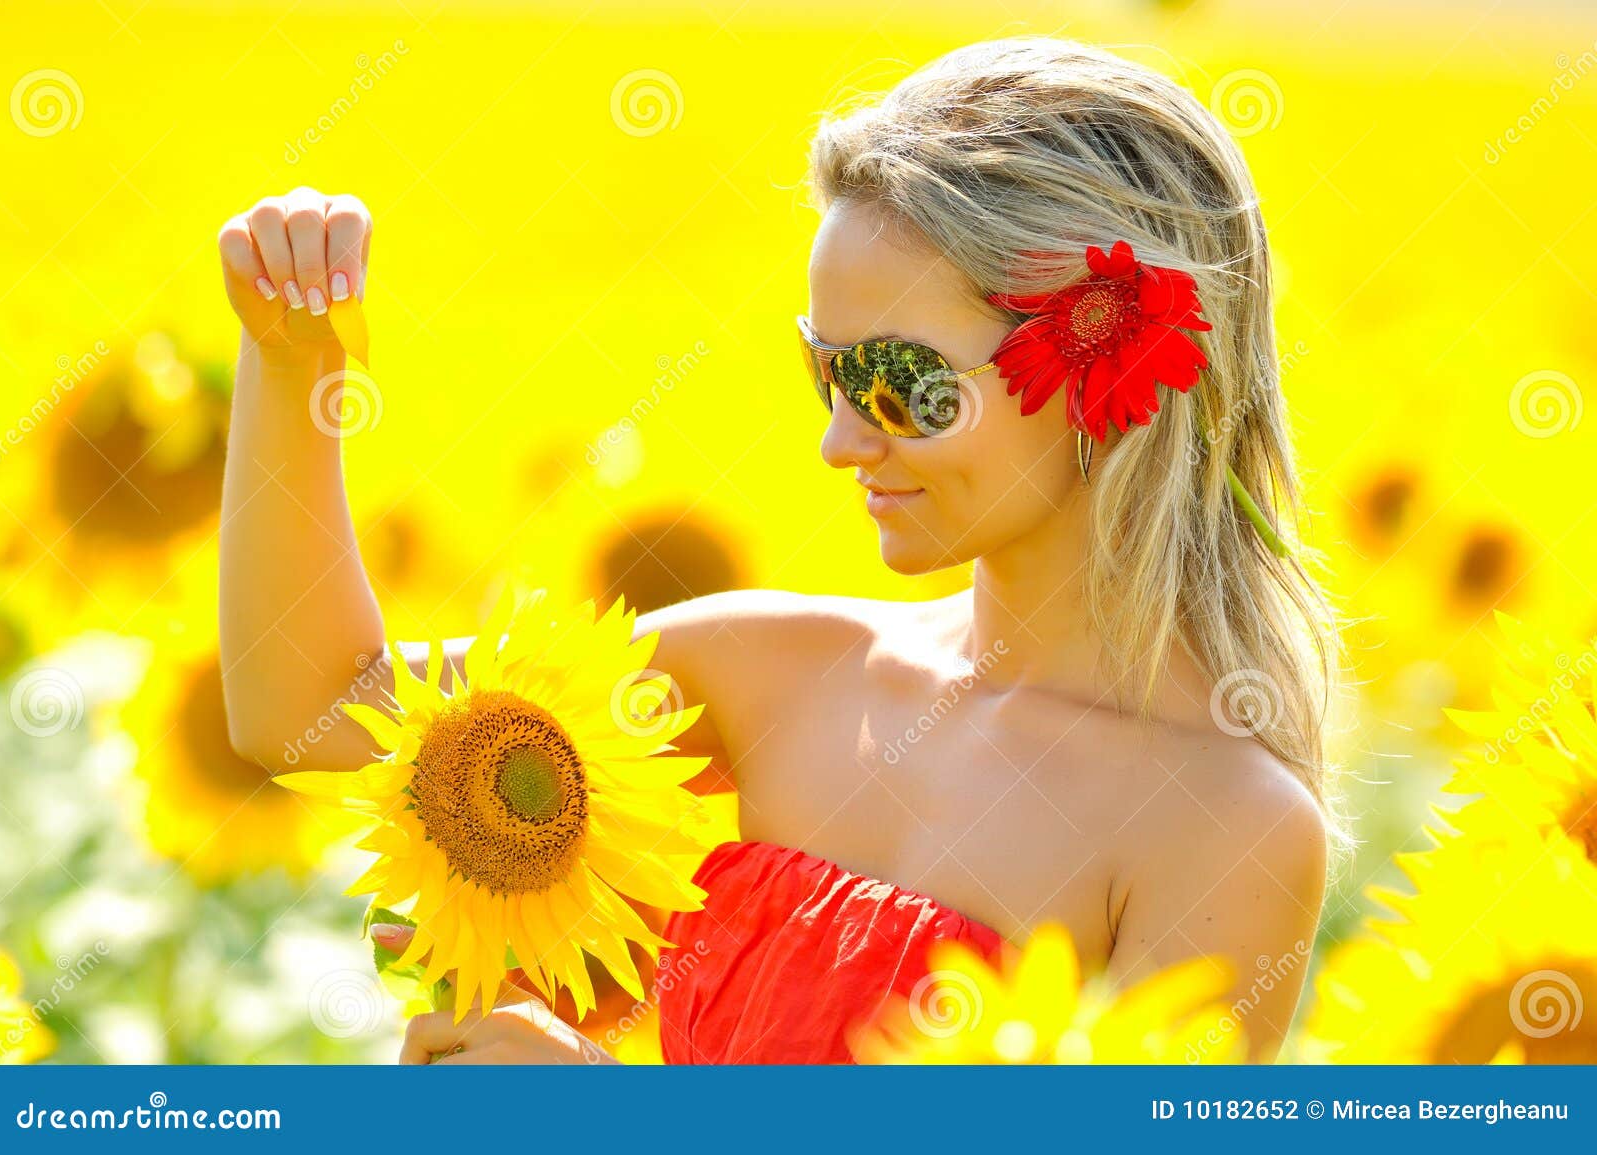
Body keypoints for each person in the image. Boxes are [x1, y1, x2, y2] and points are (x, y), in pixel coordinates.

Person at [216, 35, 1340, 1065]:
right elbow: (308, 708)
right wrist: (292, 360)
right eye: (826, 371)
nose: (840, 441)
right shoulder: (776, 673)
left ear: (1106, 369)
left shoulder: (1223, 828)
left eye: (899, 382)